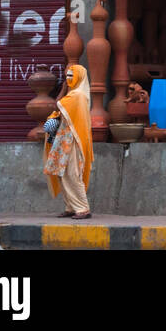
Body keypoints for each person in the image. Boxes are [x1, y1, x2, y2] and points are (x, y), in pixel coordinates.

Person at [43, 64, 93, 220]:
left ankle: (83, 208)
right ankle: (71, 206)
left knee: (72, 174)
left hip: (73, 140)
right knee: (61, 173)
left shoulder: (77, 95)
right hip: (64, 139)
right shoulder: (77, 95)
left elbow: (57, 104)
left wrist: (63, 89)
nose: (68, 79)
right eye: (67, 76)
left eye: (72, 76)